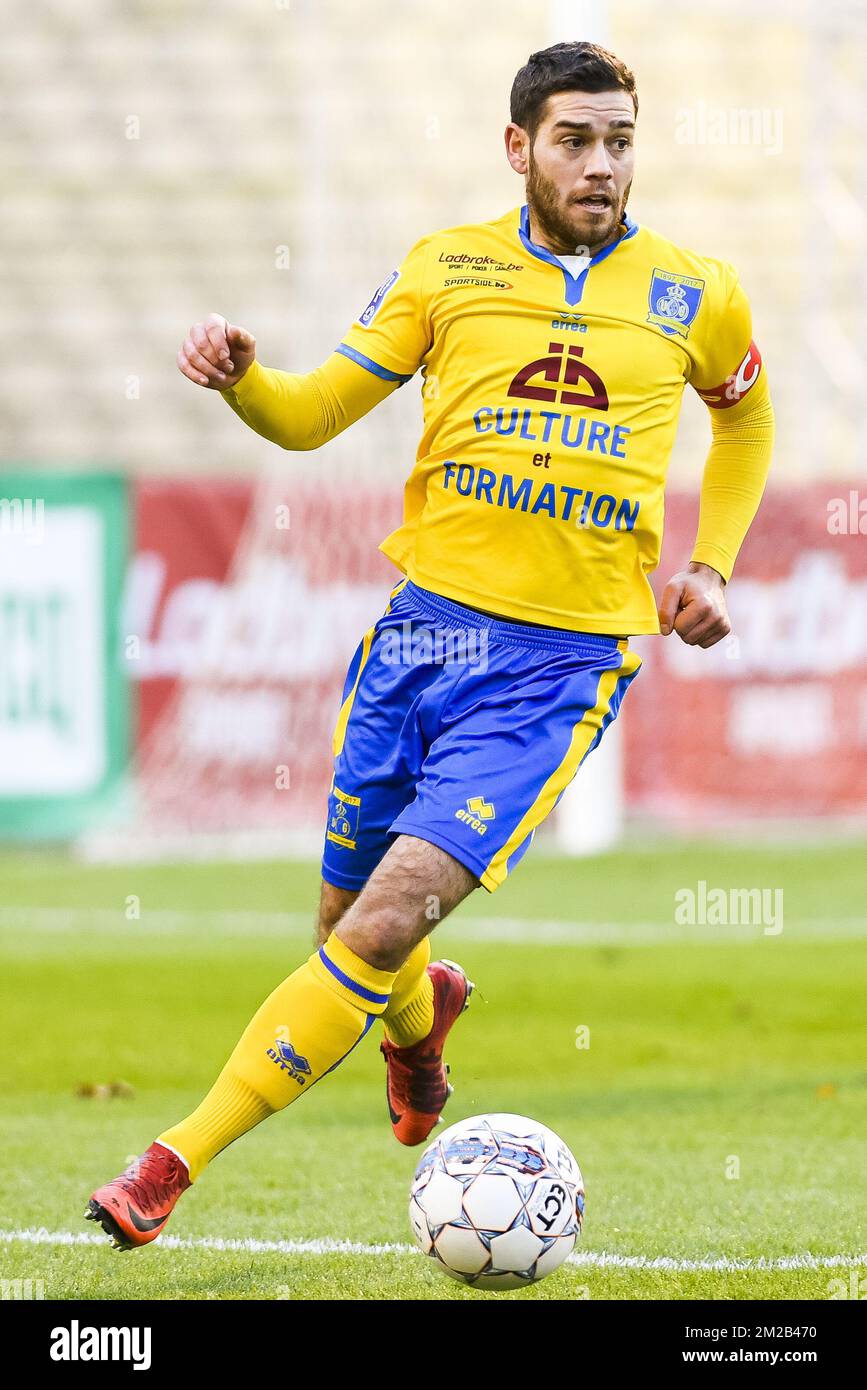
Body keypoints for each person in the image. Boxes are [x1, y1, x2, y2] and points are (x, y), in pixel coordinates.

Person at [86, 41, 774, 1248]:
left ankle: (166, 1164)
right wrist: (246, 381)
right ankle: (418, 1034)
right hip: (421, 642)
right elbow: (308, 418)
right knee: (347, 935)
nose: (602, 164)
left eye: (619, 141)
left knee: (383, 919)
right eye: (575, 140)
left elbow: (745, 413)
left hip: (558, 669)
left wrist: (711, 560)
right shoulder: (443, 268)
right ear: (519, 149)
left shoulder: (695, 291)